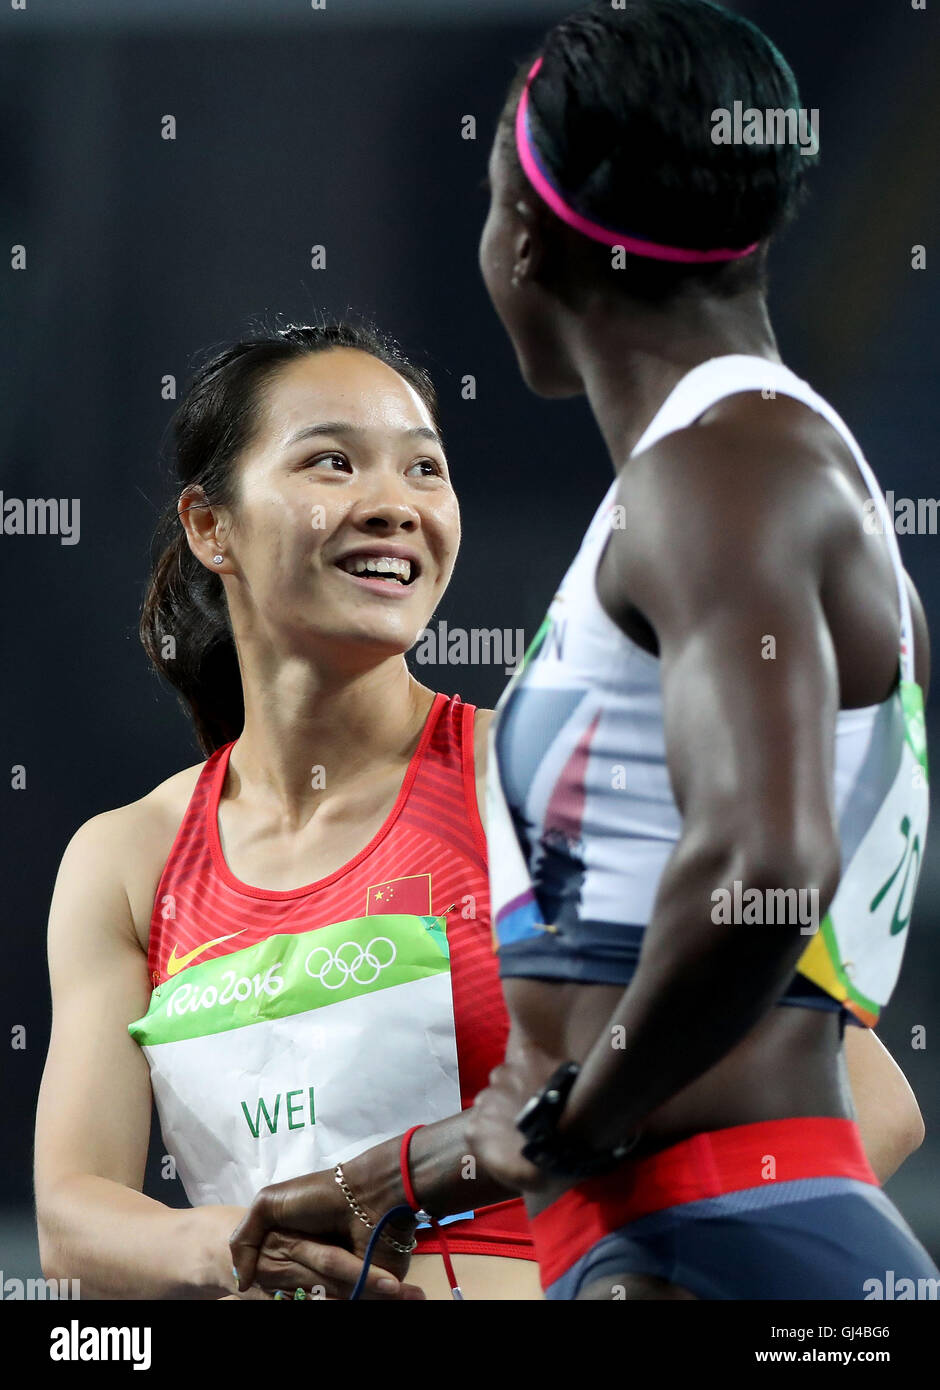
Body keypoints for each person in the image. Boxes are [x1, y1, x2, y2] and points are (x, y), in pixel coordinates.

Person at [465, 0, 937, 1299]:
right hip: (713, 1233)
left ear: (524, 240)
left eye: (490, 196)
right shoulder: (740, 475)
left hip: (724, 1234)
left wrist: (582, 1112)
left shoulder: (726, 477)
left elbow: (770, 862)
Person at [33, 322, 541, 1301]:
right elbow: (74, 1215)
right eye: (333, 463)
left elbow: (853, 1100)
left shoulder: (536, 778)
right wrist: (239, 1248)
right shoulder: (126, 859)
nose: (394, 505)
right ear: (210, 526)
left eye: (424, 469)